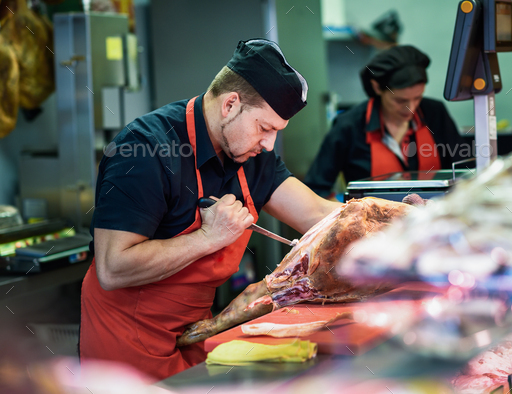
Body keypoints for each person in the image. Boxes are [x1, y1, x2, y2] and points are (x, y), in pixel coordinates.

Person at [80, 38, 341, 381]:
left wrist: (404, 218)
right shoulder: (144, 149)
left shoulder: (254, 156)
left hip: (196, 333)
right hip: (125, 343)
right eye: (265, 128)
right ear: (230, 104)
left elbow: (317, 214)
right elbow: (113, 268)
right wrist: (208, 237)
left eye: (276, 132)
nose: (268, 144)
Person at [304, 45, 468, 198]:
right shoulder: (349, 126)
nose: (410, 108)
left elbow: (464, 172)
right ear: (377, 88)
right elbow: (316, 189)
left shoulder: (435, 113)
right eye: (400, 101)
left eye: (417, 98)